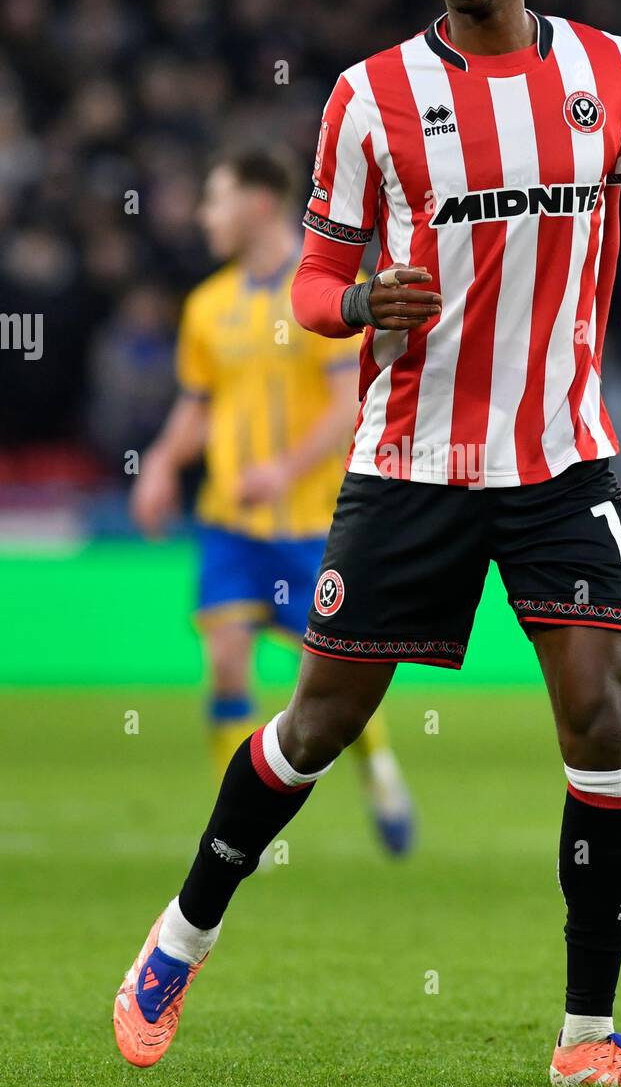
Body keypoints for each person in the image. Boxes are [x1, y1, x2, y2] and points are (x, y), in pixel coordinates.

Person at [115, 0, 621, 1087]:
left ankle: (586, 1039)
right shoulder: (367, 97)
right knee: (320, 723)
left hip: (557, 454)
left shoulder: (615, 75)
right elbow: (314, 283)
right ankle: (175, 943)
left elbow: (606, 218)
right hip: (411, 460)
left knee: (598, 712)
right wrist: (361, 299)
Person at [130, 151, 414, 857]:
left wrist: (285, 470)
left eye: (215, 200)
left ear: (259, 205)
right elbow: (198, 405)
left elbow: (351, 401)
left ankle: (379, 768)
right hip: (230, 522)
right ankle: (237, 832)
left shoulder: (321, 295)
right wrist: (163, 464)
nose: (204, 216)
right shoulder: (206, 306)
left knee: (331, 689)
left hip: (312, 524)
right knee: (227, 661)